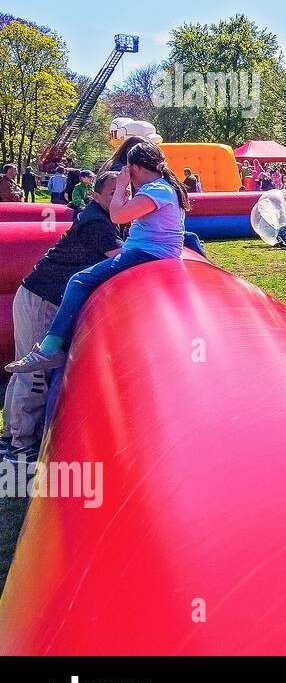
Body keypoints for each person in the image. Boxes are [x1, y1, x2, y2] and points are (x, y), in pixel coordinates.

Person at [6, 141, 188, 374]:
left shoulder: (156, 190)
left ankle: (49, 349)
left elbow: (118, 215)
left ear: (137, 168)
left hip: (148, 254)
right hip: (151, 252)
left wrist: (121, 186)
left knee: (79, 280)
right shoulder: (160, 188)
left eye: (128, 171)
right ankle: (51, 348)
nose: (127, 176)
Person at [2, 171, 122, 463]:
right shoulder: (97, 222)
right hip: (43, 299)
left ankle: (12, 437)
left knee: (27, 368)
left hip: (37, 295)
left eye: (126, 194)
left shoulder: (100, 217)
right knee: (35, 372)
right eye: (114, 195)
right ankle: (21, 446)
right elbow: (121, 257)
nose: (122, 200)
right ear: (95, 195)